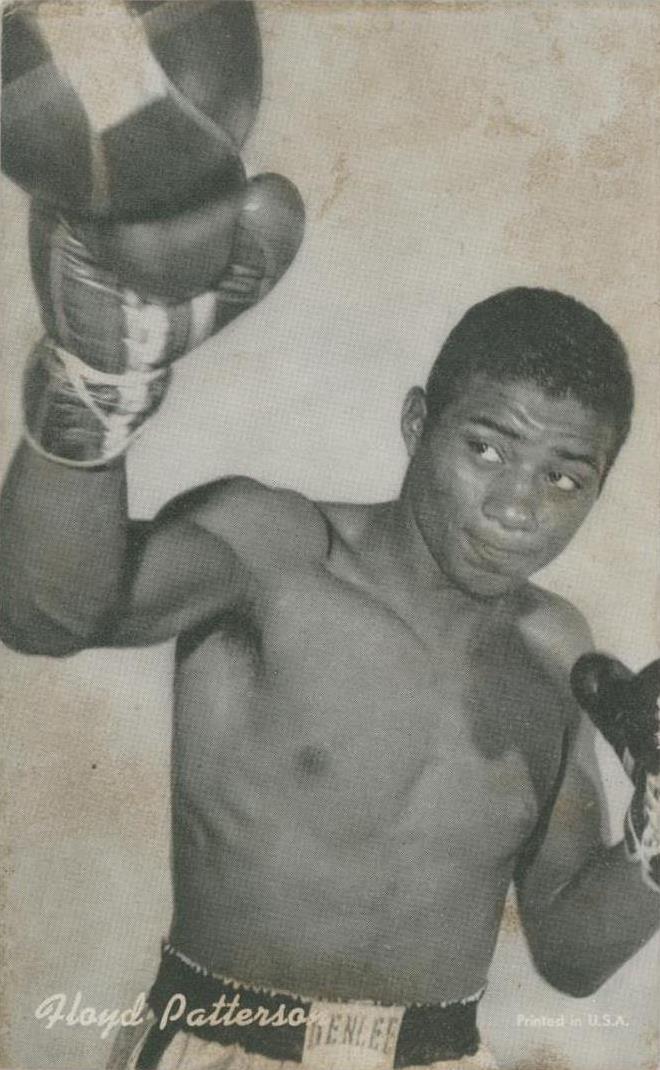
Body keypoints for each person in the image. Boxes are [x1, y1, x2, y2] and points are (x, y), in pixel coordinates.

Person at [0, 207, 658, 1070]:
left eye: (564, 477)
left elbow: (572, 957)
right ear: (419, 423)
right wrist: (93, 390)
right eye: (489, 450)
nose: (517, 509)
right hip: (225, 1045)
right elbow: (40, 613)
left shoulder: (555, 649)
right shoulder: (274, 552)